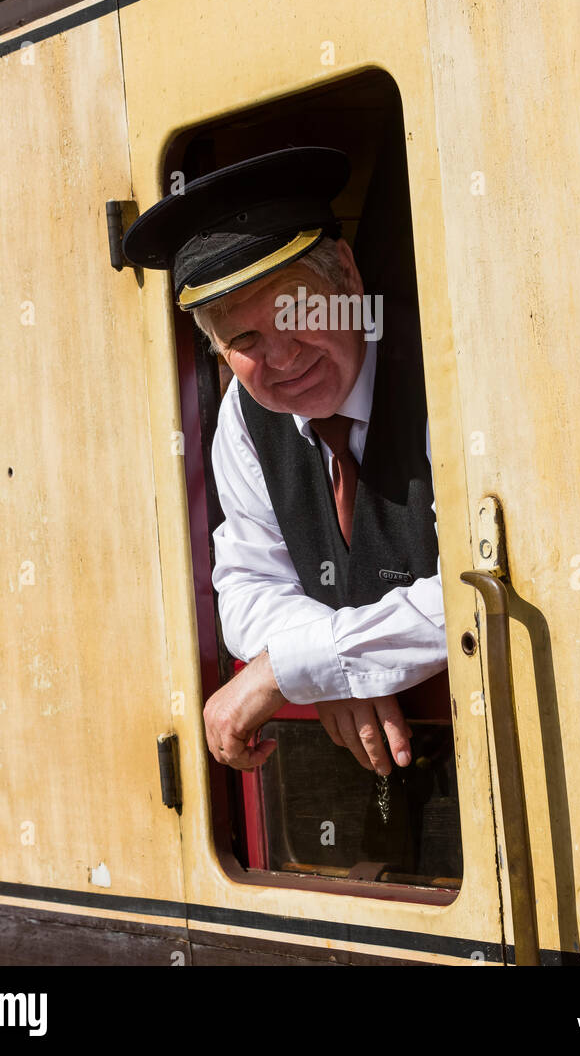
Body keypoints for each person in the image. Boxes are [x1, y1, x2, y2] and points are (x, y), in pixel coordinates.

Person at [123, 146, 447, 779]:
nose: (281, 357)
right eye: (243, 340)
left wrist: (293, 668)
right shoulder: (245, 420)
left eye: (298, 312)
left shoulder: (443, 375)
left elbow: (477, 589)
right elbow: (246, 582)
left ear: (348, 280)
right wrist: (327, 668)